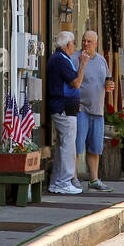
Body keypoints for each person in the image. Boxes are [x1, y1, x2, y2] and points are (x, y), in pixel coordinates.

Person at [74, 30, 115, 191]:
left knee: (95, 148)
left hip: (98, 110)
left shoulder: (101, 60)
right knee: (77, 146)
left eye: (89, 41)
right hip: (81, 109)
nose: (85, 44)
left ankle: (94, 179)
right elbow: (70, 81)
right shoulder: (75, 58)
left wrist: (110, 87)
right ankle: (74, 179)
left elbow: (108, 80)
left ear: (96, 44)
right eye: (84, 41)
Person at [47, 31, 86, 195]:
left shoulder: (61, 59)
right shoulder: (60, 60)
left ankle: (57, 182)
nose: (75, 47)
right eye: (73, 43)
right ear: (67, 44)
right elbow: (76, 83)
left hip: (65, 108)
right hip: (63, 109)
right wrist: (83, 64)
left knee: (63, 145)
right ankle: (64, 181)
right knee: (68, 146)